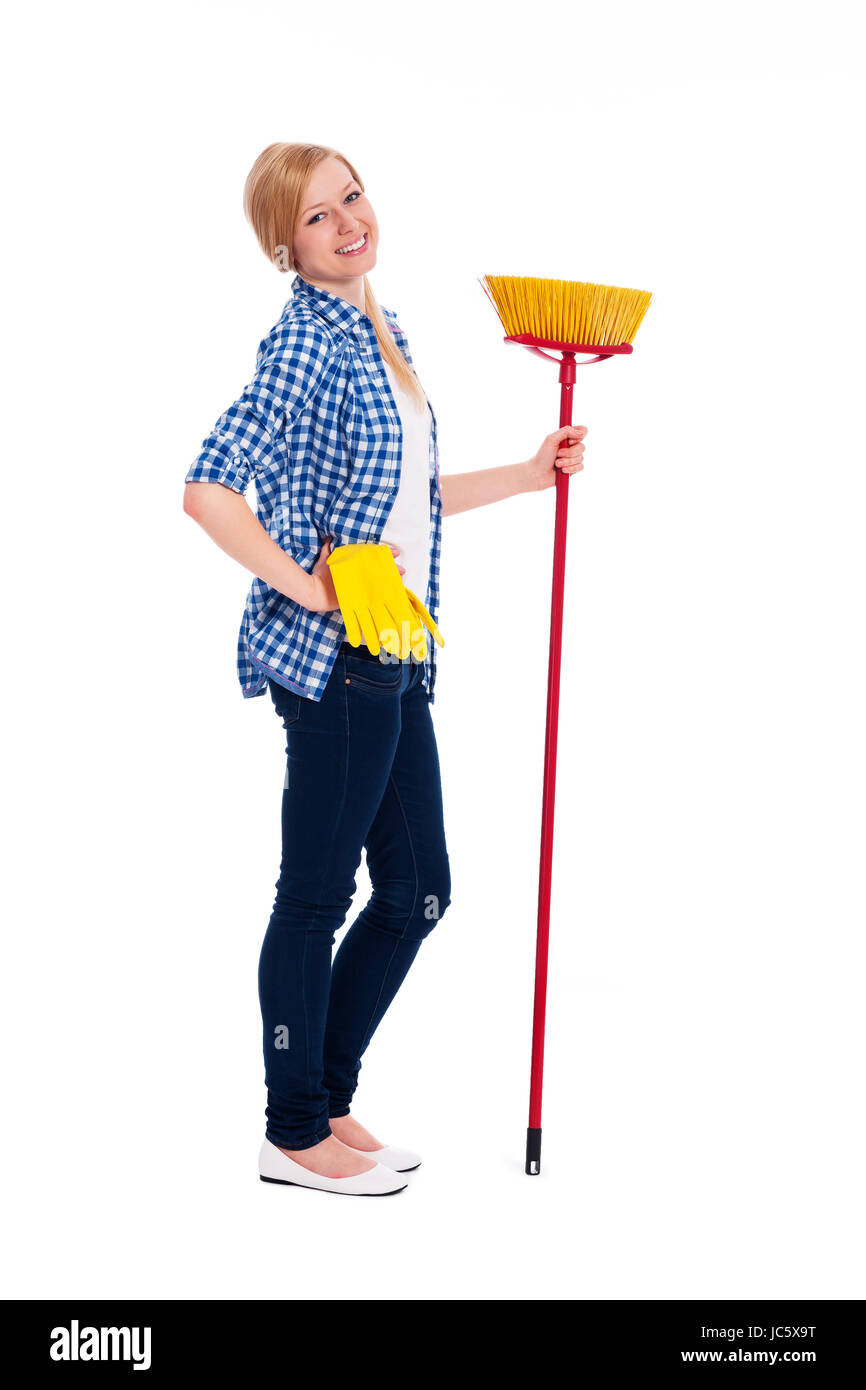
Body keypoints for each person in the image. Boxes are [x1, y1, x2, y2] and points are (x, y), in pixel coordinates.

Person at [182, 142, 587, 1196]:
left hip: (397, 641)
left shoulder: (379, 330)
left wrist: (526, 475)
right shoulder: (302, 348)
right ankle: (291, 1128)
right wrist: (303, 584)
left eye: (352, 196)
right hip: (338, 657)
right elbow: (208, 488)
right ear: (285, 243)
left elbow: (401, 503)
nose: (347, 221)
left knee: (416, 890)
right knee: (315, 895)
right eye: (317, 216)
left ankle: (326, 1096)